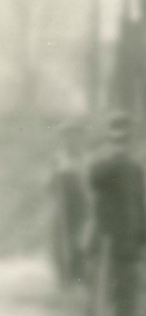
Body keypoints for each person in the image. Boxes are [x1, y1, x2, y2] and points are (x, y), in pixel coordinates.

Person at [83, 113, 146, 316]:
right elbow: (93, 179)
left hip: (129, 242)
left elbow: (141, 204)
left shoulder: (136, 170)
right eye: (116, 138)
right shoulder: (103, 166)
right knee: (102, 294)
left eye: (126, 138)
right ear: (108, 140)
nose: (122, 143)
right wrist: (113, 156)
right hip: (107, 241)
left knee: (128, 298)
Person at [49, 122, 91, 293]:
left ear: (79, 138)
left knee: (80, 239)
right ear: (63, 139)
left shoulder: (86, 157)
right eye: (67, 137)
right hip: (63, 205)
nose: (71, 140)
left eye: (75, 136)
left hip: (82, 205)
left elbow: (90, 182)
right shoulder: (58, 158)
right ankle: (64, 279)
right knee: (60, 240)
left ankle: (79, 276)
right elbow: (50, 185)